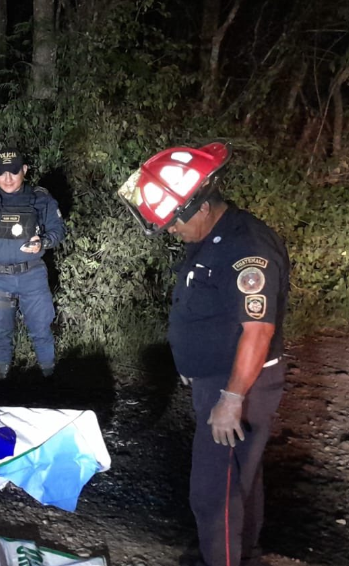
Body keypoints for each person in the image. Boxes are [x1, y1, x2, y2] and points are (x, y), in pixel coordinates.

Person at [117, 141, 289, 566]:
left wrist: (231, 398)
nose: (172, 230)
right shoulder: (214, 236)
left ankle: (223, 557)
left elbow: (258, 330)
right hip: (221, 380)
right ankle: (235, 554)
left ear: (202, 206)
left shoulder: (246, 249)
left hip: (239, 384)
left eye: (174, 221)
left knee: (214, 492)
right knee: (238, 480)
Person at [0, 148, 66, 379]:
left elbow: (58, 230)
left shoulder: (41, 198)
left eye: (14, 172)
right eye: (2, 173)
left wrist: (44, 242)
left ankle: (50, 378)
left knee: (41, 330)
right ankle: (3, 380)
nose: (8, 179)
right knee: (1, 332)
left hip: (32, 276)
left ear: (24, 171)